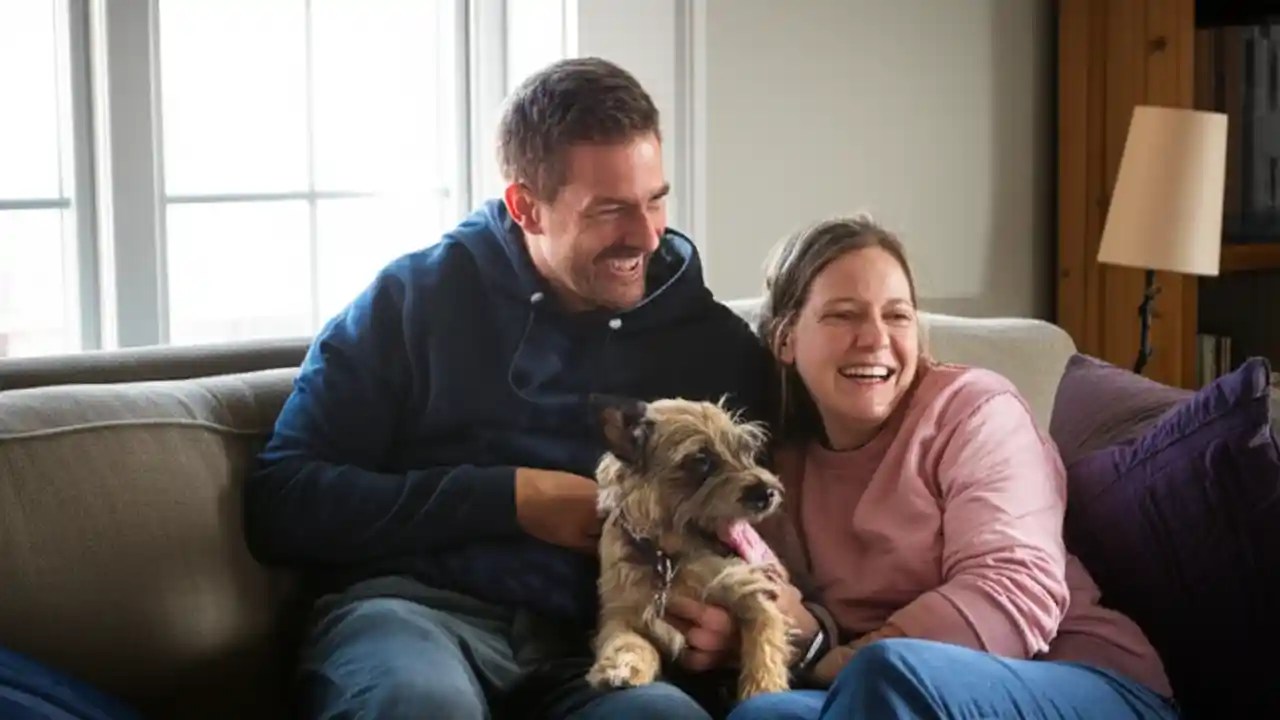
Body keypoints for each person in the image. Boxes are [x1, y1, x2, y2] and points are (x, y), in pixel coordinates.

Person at [242, 57, 797, 720]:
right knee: (419, 705)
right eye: (611, 210)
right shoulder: (413, 301)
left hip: (608, 643)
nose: (647, 235)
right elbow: (283, 501)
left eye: (656, 200)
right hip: (414, 617)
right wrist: (511, 498)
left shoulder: (715, 348)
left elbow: (774, 524)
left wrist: (735, 629)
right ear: (525, 206)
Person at [720, 215, 1180, 719]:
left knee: (885, 674)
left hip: (1082, 679)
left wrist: (842, 660)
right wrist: (807, 635)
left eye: (897, 316)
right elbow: (813, 624)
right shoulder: (780, 468)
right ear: (786, 339)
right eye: (843, 315)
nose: (874, 338)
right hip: (878, 694)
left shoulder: (974, 411)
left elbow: (1015, 588)